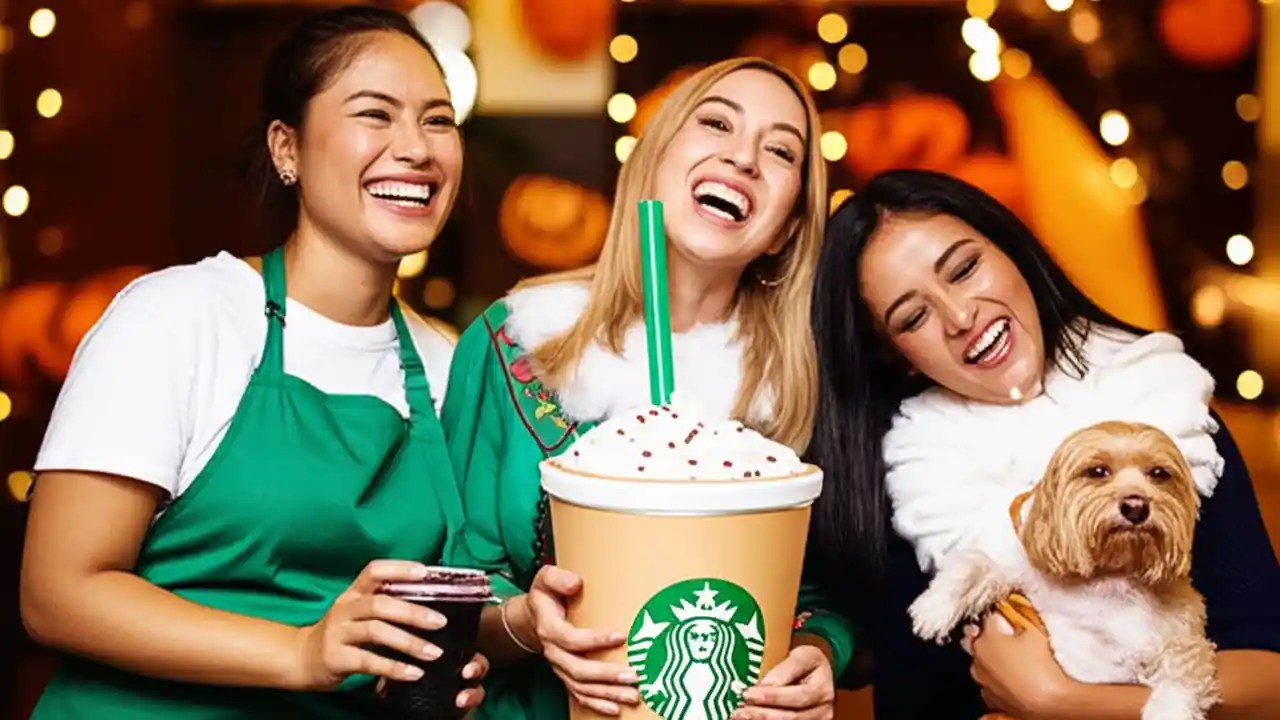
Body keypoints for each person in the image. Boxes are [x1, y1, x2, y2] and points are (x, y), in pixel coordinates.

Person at [19, 7, 487, 718]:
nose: (416, 149)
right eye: (375, 114)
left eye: (438, 120)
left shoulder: (450, 365)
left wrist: (503, 632)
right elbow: (57, 593)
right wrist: (300, 652)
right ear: (286, 149)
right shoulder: (178, 318)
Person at [441, 57, 854, 719]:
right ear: (655, 159)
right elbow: (446, 582)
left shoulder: (809, 384)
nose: (743, 157)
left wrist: (816, 648)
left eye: (780, 150)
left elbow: (833, 591)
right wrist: (525, 621)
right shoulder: (512, 341)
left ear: (788, 230)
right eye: (717, 122)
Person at [808, 168, 1280, 719]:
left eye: (964, 268)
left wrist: (1058, 700)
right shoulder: (914, 489)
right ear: (898, 356)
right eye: (913, 316)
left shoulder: (1168, 417)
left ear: (1012, 251)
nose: (961, 317)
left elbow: (1270, 683)